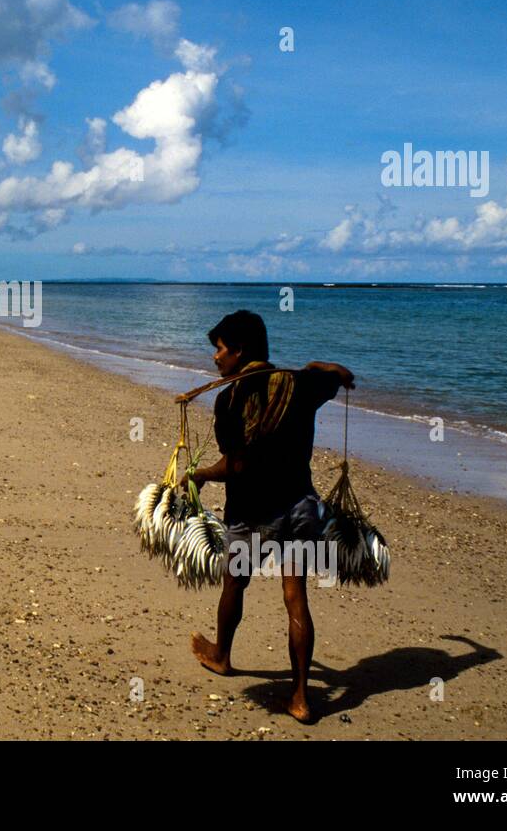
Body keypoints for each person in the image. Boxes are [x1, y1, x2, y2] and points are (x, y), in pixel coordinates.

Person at [177, 309, 354, 723]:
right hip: (300, 509)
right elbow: (343, 374)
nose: (215, 359)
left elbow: (234, 466)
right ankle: (300, 699)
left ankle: (222, 656)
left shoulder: (231, 398)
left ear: (240, 351)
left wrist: (200, 475)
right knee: (296, 599)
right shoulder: (302, 384)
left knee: (235, 583)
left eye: (220, 350)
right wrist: (319, 367)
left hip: (253, 514)